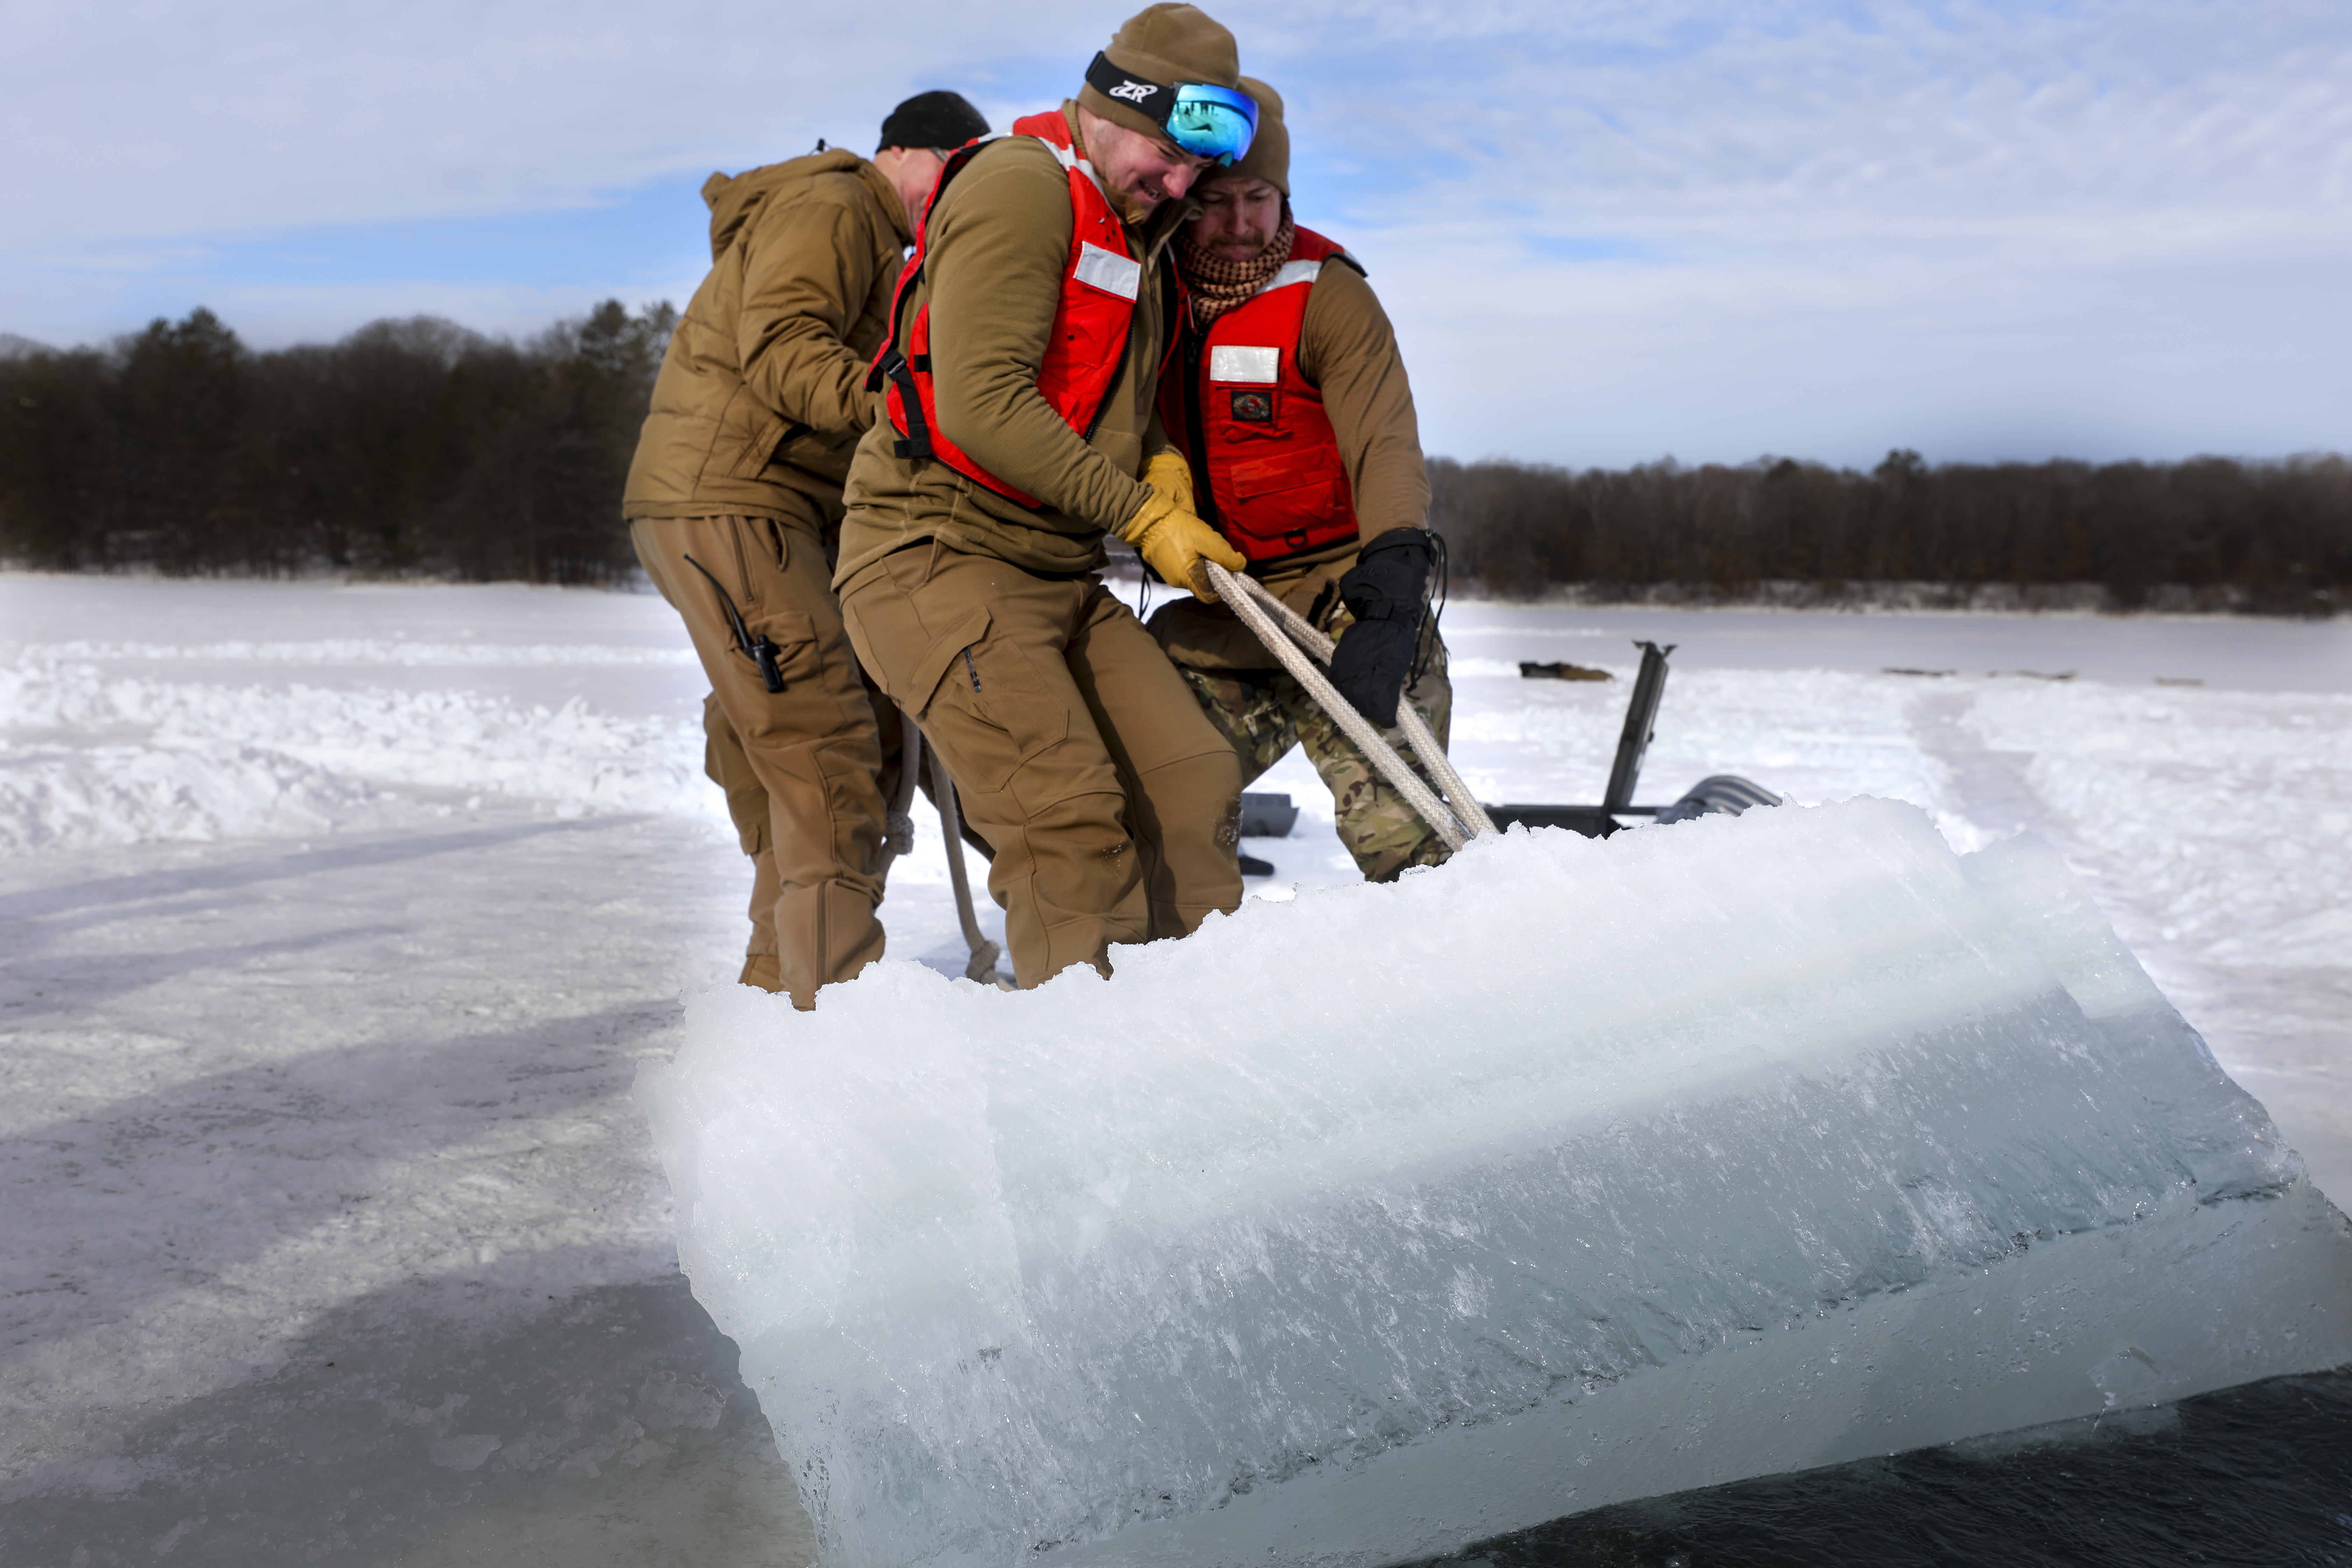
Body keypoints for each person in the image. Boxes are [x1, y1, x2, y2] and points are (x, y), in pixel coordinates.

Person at [835, 4, 1258, 988]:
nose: (1181, 183)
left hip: (1055, 568)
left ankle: (1207, 1066)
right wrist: (1141, 514)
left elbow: (1118, 402)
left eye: (1200, 169)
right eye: (1168, 153)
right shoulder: (1029, 188)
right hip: (937, 553)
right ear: (1112, 109)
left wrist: (1164, 468)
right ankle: (1093, 1106)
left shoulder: (1136, 231)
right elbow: (981, 405)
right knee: (1067, 826)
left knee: (1194, 788)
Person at [624, 90, 992, 1009]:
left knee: (828, 729)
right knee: (826, 744)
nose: (951, 208)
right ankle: (821, 1022)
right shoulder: (838, 205)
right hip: (733, 497)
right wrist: (909, 407)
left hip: (767, 506)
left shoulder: (876, 238)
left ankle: (777, 986)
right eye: (954, 177)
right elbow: (784, 347)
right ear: (905, 154)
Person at [1146, 77, 1455, 883]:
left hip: (1346, 613)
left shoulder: (1331, 296)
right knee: (1116, 803)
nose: (1243, 224)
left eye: (1262, 198)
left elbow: (1386, 442)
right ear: (1182, 197)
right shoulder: (1148, 291)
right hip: (1225, 615)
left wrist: (1394, 572)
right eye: (1217, 201)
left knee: (1410, 848)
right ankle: (1150, 983)